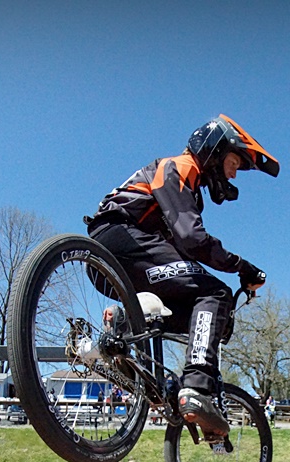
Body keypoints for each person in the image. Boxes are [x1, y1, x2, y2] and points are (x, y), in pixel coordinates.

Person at [86, 115, 277, 440]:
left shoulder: (188, 188)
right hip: (121, 240)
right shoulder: (178, 167)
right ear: (214, 151)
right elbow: (192, 240)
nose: (233, 173)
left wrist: (216, 319)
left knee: (197, 308)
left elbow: (182, 260)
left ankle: (121, 331)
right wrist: (242, 267)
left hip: (118, 260)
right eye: (234, 163)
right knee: (214, 293)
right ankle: (198, 387)